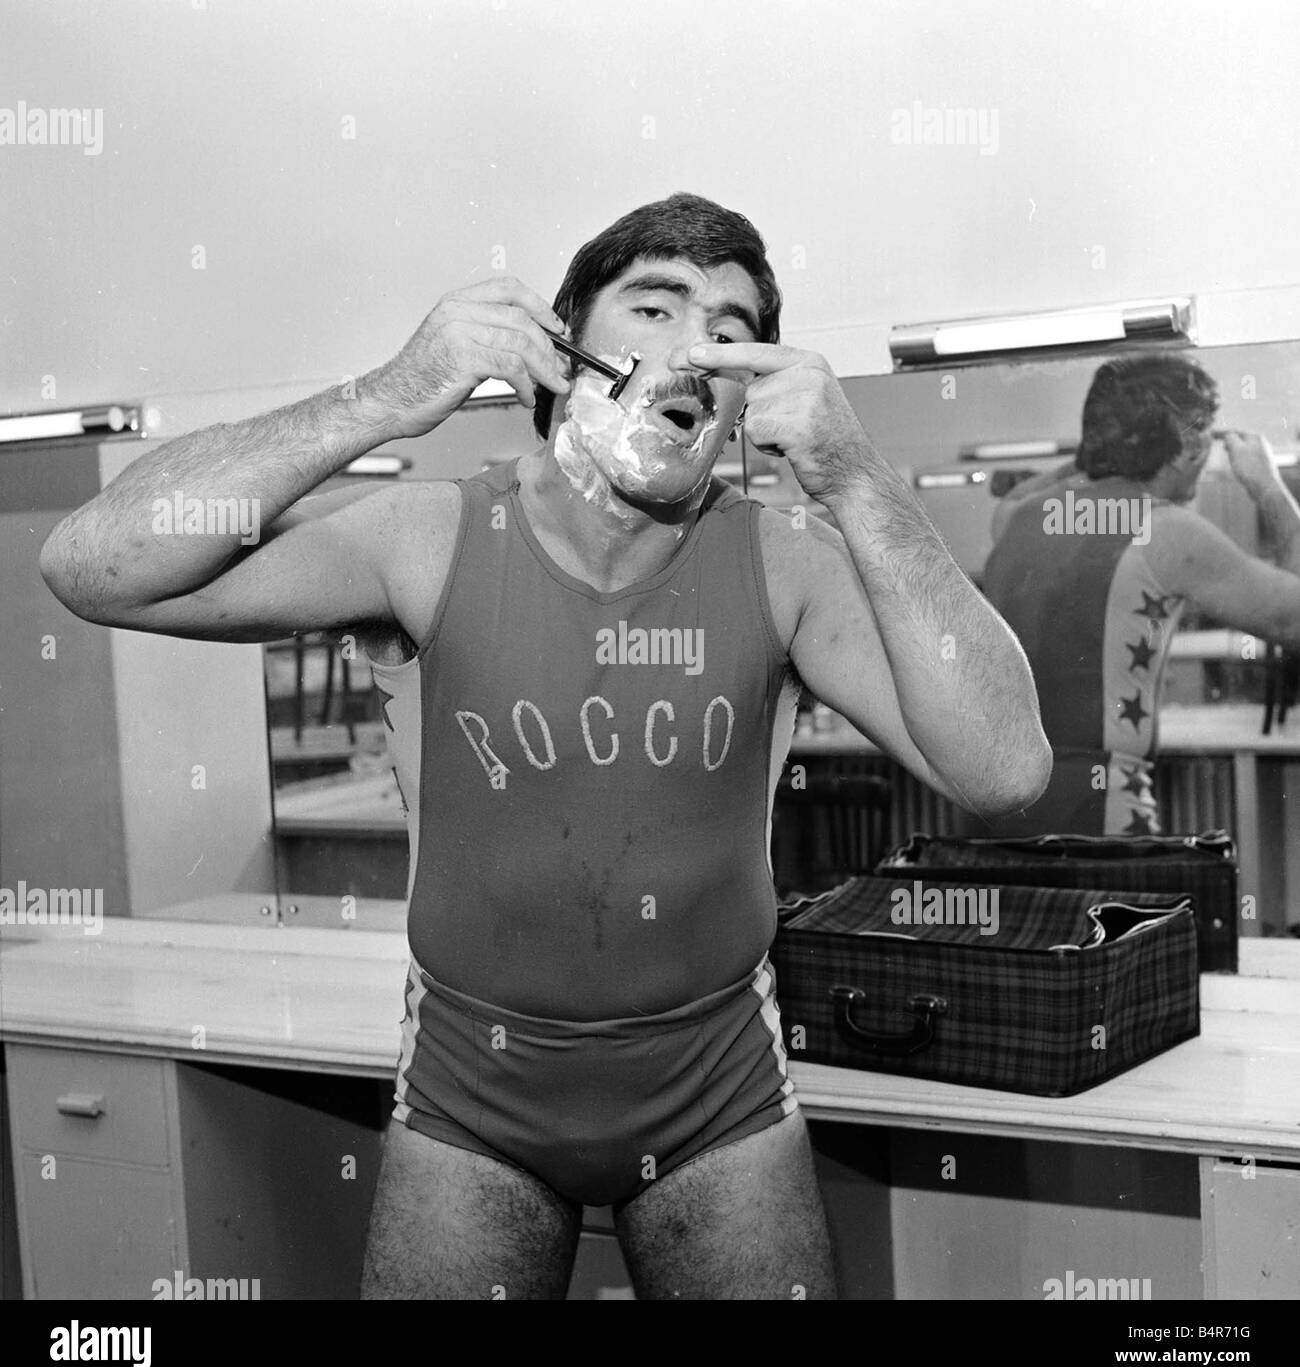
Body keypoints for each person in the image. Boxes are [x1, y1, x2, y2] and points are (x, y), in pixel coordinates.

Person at [40, 192, 1051, 1300]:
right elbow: (94, 566)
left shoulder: (787, 562)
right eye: (654, 308)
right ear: (563, 350)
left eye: (728, 330)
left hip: (717, 1092)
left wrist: (855, 478)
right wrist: (385, 396)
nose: (691, 350)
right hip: (472, 1095)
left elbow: (1003, 768)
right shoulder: (425, 539)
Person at [980, 353, 1300, 836]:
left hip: (994, 809)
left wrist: (1105, 447)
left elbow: (1049, 486)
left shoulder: (1015, 518)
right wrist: (1267, 486)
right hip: (1098, 817)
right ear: (1191, 444)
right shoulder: (1163, 529)